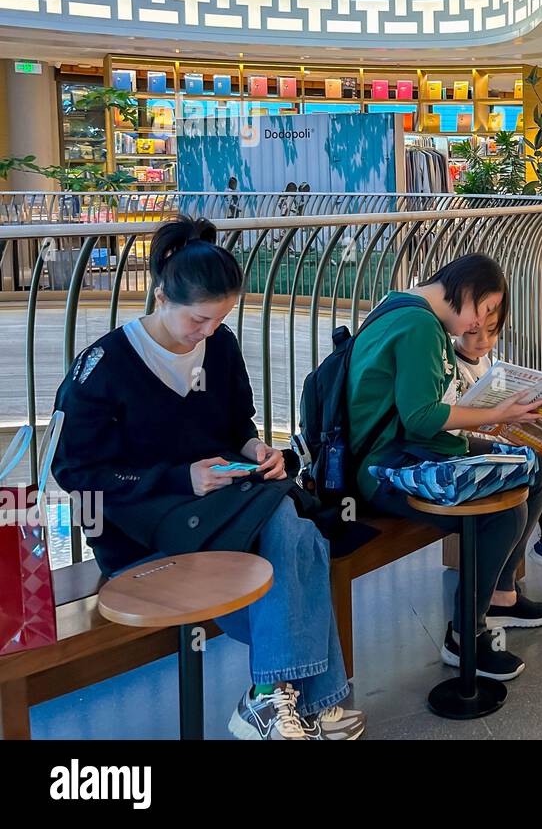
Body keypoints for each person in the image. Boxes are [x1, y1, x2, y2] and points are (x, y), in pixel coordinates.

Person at [52, 216, 364, 740]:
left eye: (219, 320)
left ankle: (272, 697)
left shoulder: (219, 346)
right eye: (198, 321)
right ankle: (315, 699)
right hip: (141, 524)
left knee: (293, 526)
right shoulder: (105, 366)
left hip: (221, 505)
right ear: (160, 297)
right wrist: (179, 478)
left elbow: (235, 423)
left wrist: (255, 449)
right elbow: (76, 473)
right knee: (295, 529)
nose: (208, 332)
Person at [346, 253, 542, 682]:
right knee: (503, 507)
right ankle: (465, 634)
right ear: (464, 291)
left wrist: (496, 418)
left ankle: (500, 594)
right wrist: (499, 413)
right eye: (483, 311)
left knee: (537, 468)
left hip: (416, 450)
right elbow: (422, 416)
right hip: (386, 468)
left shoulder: (407, 307)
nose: (480, 326)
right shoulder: (420, 326)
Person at [452, 314, 542, 582]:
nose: (483, 341)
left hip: (494, 431)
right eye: (474, 334)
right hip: (466, 443)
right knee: (536, 460)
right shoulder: (450, 365)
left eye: (491, 333)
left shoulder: (484, 360)